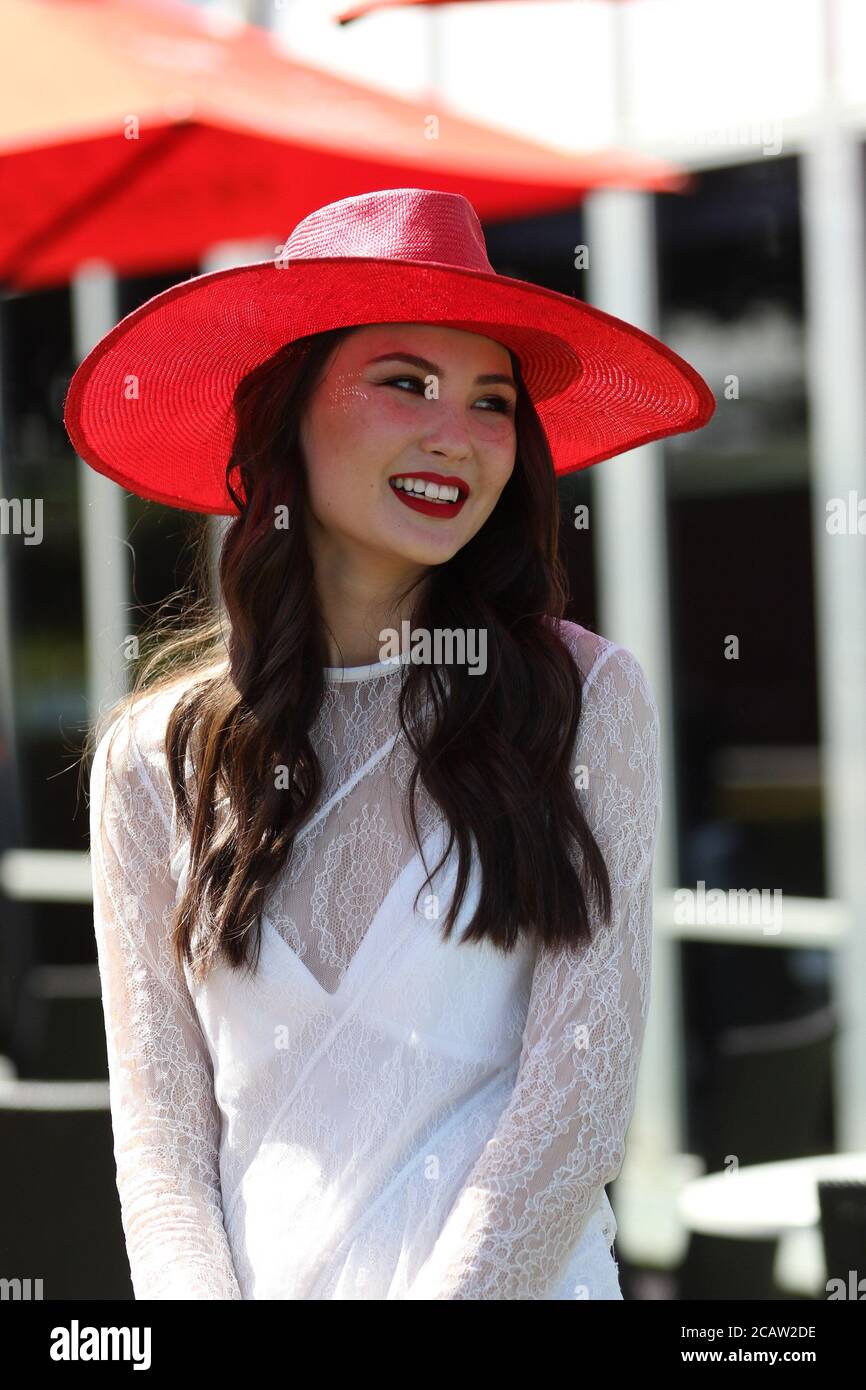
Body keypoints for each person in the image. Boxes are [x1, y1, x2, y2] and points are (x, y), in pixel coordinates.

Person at [66, 187, 715, 1300]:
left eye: (490, 400)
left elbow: (575, 1109)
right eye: (404, 382)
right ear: (288, 415)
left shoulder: (583, 701)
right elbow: (161, 1152)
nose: (453, 437)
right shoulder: (149, 761)